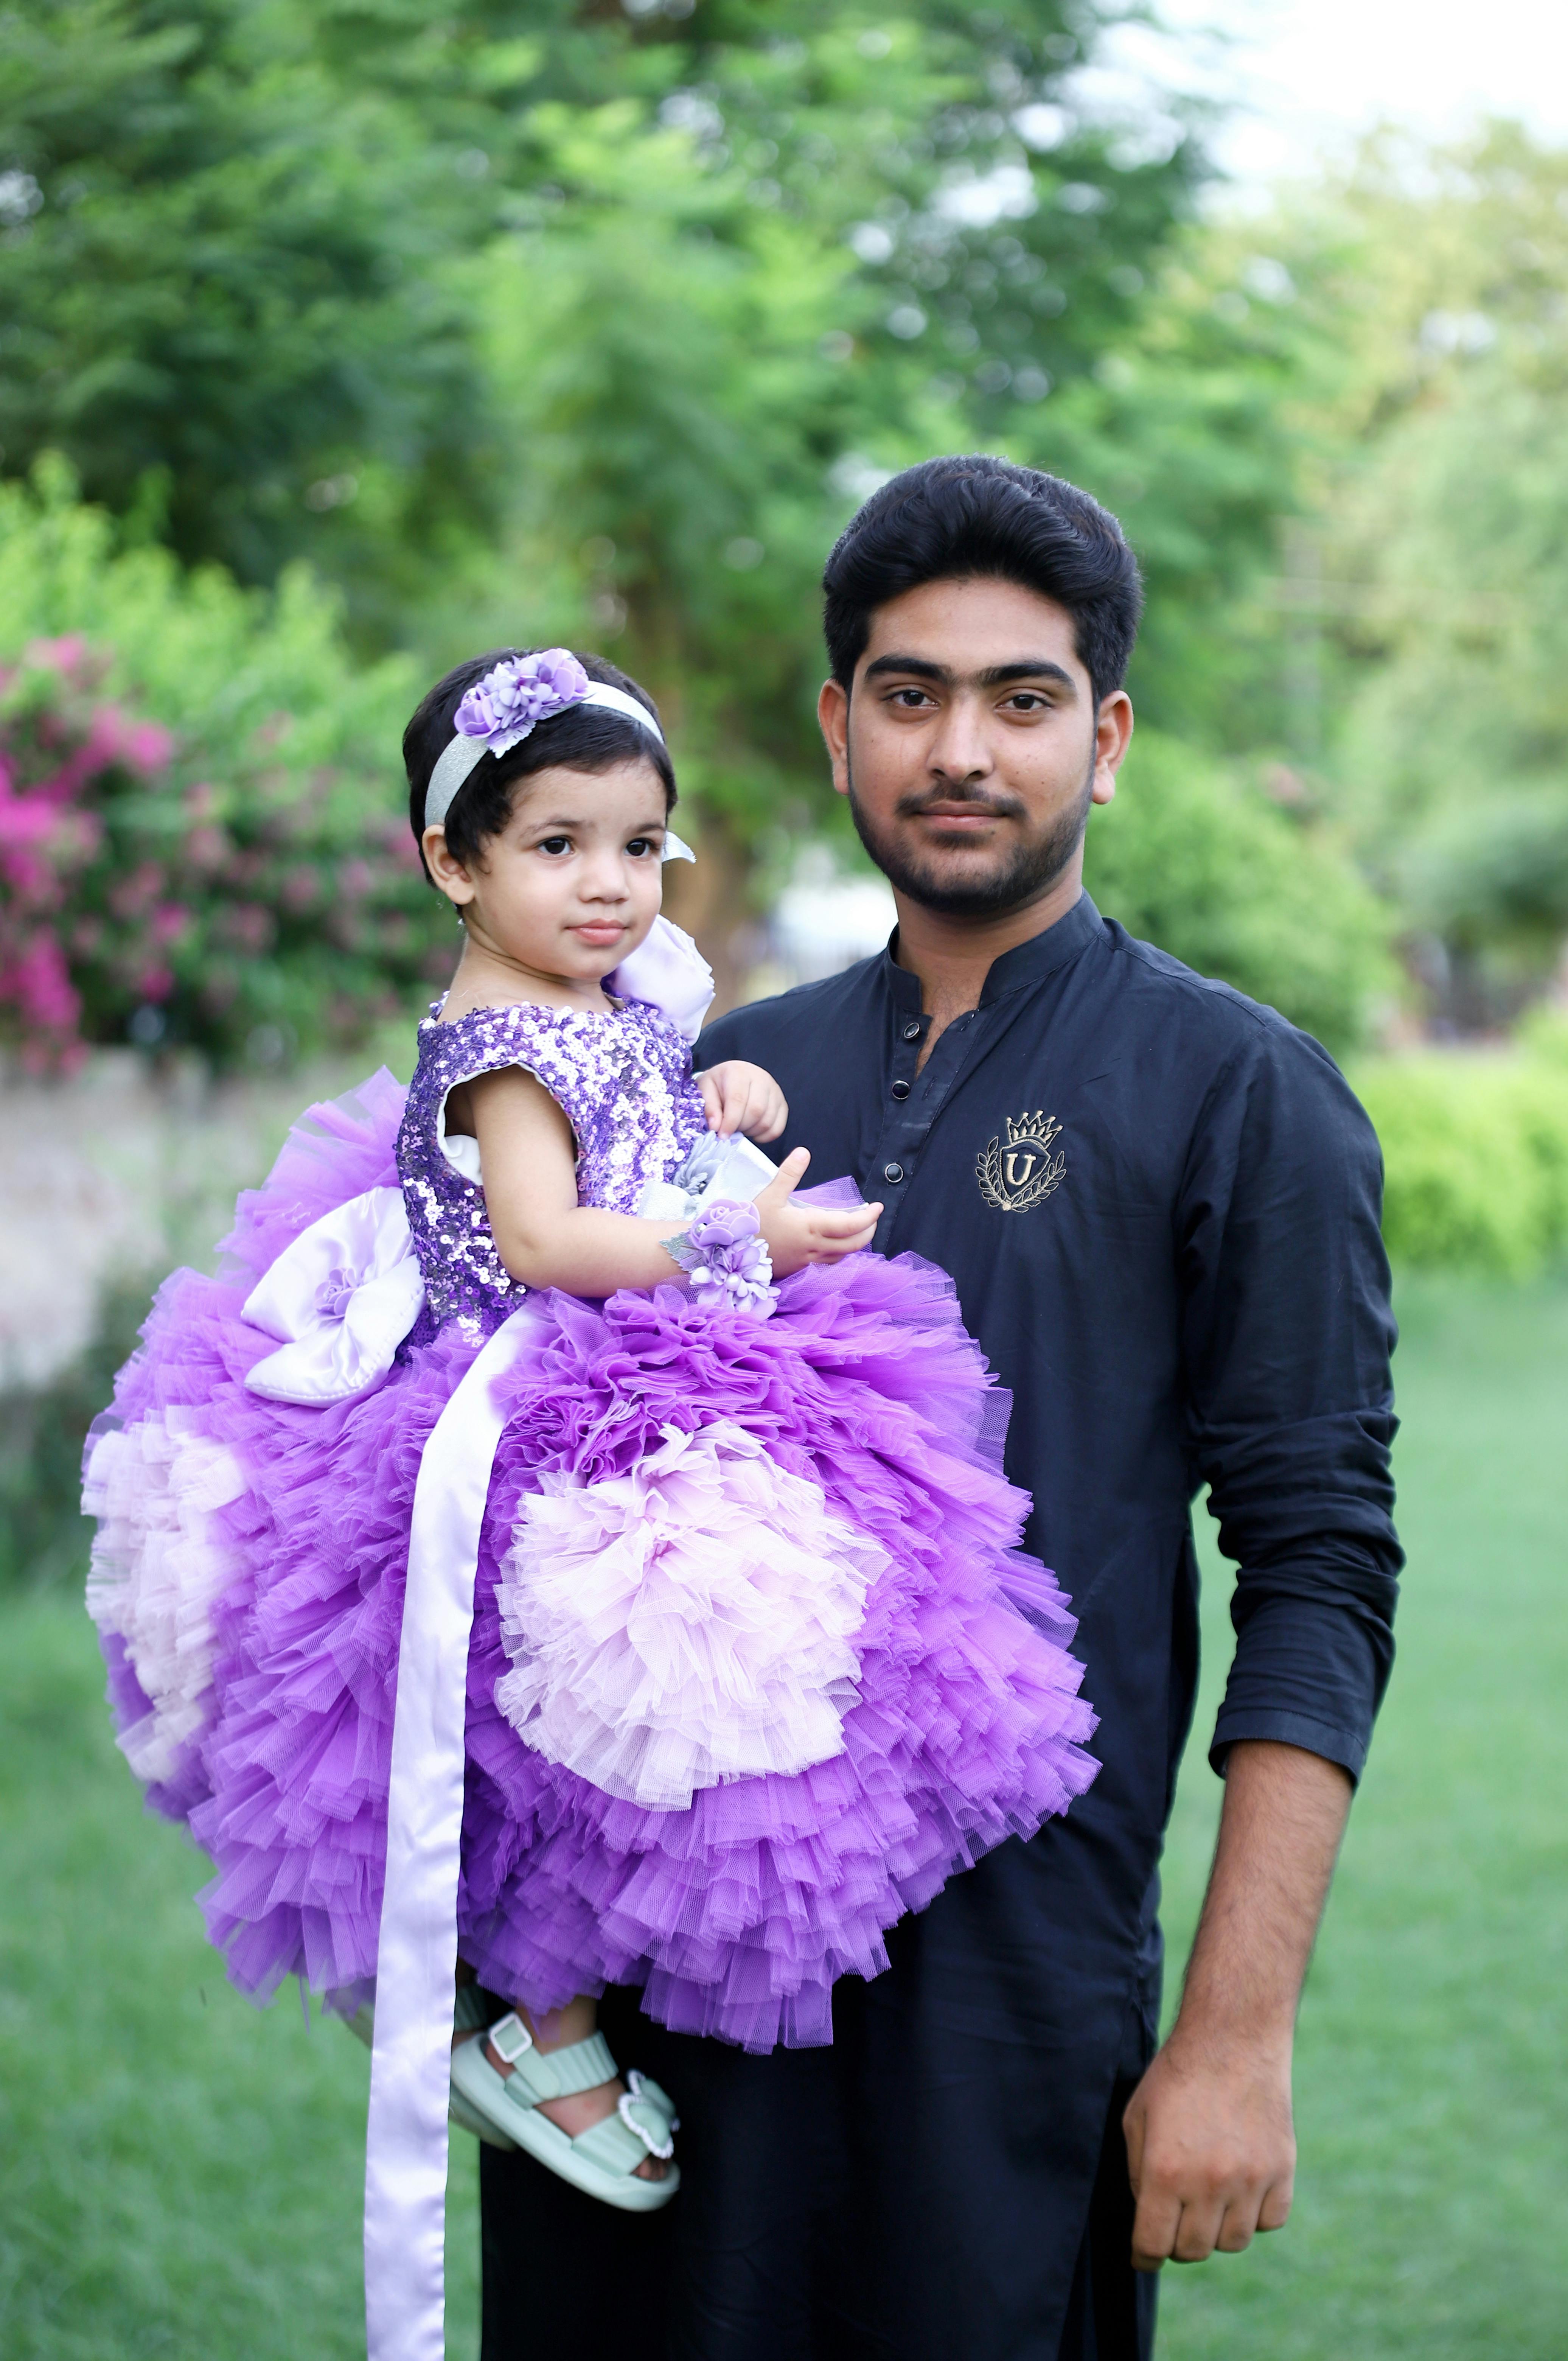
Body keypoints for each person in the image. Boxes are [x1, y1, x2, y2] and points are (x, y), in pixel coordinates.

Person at [476, 457, 1402, 2361]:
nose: (959, 747)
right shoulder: (718, 1073)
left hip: (1010, 1998)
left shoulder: (1239, 1092)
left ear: (1107, 735)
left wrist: (1232, 2039)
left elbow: (1315, 1569)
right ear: (836, 728)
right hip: (663, 1984)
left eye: (1020, 698)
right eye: (908, 696)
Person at [82, 641, 1100, 2350]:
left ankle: (541, 1996)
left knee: (691, 1696)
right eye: (557, 847)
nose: (611, 884)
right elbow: (550, 1238)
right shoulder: (495, 1039)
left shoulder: (597, 1004)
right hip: (530, 1378)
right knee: (590, 1677)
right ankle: (529, 2008)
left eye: (638, 845)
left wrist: (709, 1101)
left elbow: (620, 1138)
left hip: (615, 1348)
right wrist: (737, 1232)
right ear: (452, 862)